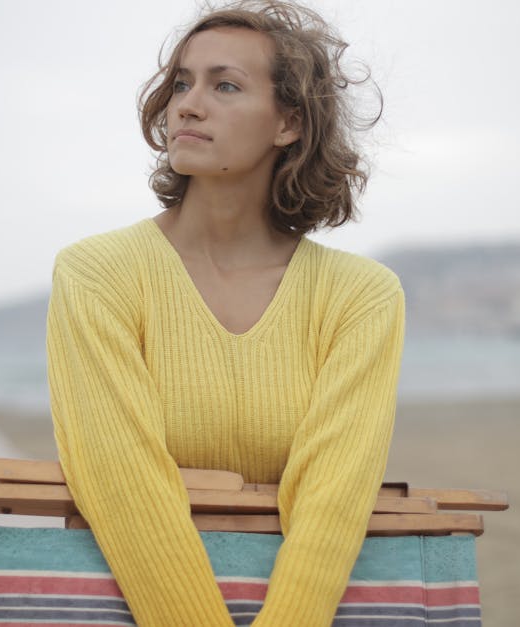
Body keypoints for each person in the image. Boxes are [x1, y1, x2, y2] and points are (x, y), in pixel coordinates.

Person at [45, 2, 404, 624]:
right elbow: (120, 480)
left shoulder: (361, 296)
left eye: (225, 85)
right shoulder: (97, 274)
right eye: (181, 82)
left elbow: (333, 500)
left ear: (288, 123)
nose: (187, 103)